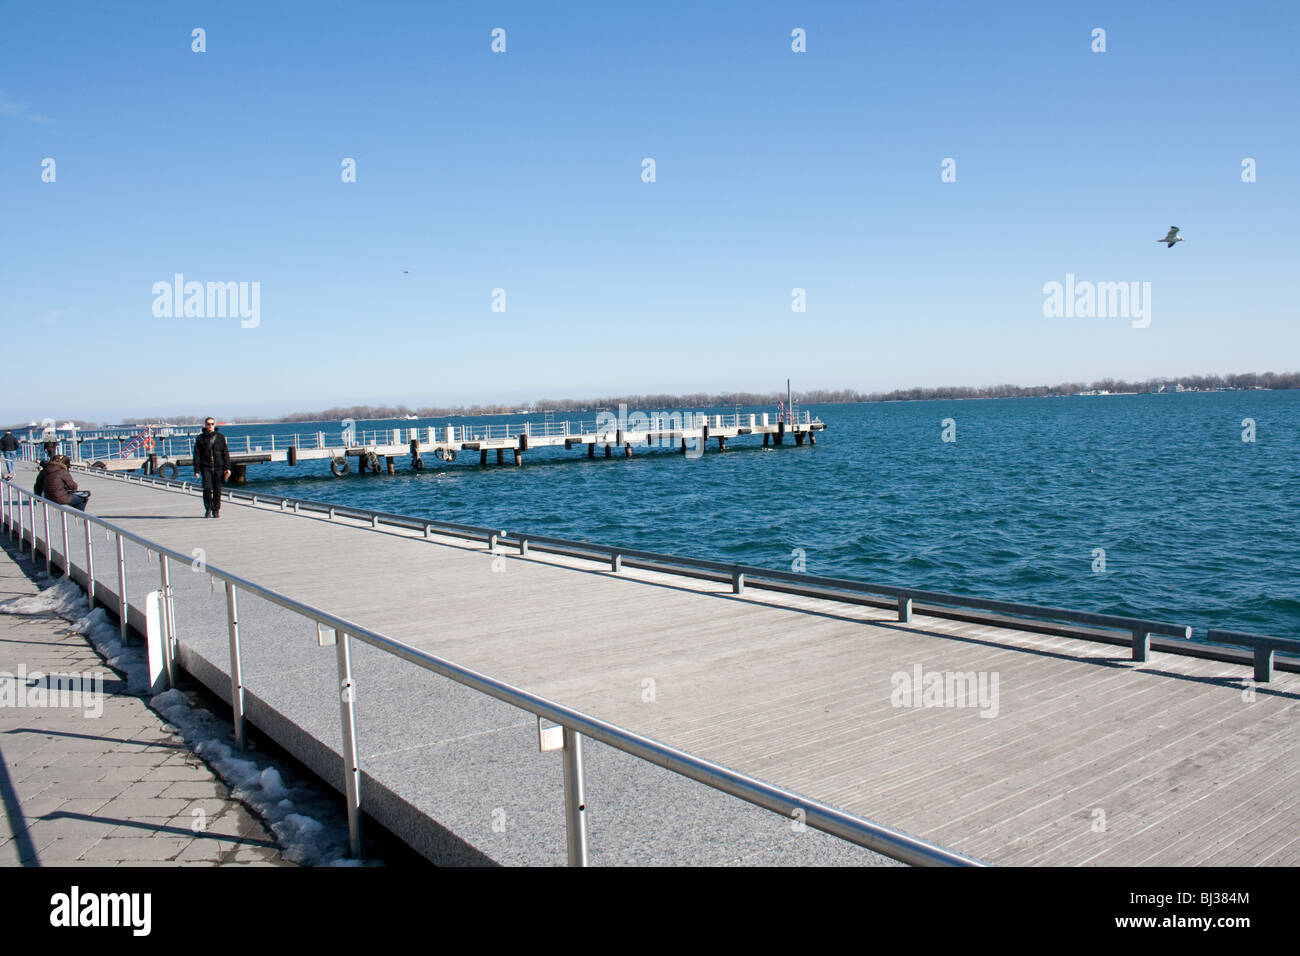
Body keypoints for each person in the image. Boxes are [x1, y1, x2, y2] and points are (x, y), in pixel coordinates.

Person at [193, 417, 231, 518]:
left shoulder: (220, 437)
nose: (210, 426)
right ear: (205, 425)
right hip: (205, 467)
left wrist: (227, 468)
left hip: (219, 467)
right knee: (207, 489)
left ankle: (216, 510)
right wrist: (196, 469)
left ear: (214, 424)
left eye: (212, 424)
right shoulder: (200, 438)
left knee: (217, 489)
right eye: (208, 424)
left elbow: (225, 453)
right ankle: (208, 509)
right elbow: (196, 454)